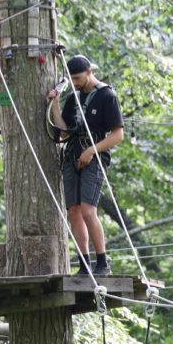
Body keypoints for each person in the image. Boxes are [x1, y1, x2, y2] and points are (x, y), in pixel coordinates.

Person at [45, 55, 124, 276]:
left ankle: (102, 263)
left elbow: (118, 135)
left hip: (94, 156)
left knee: (89, 210)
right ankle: (84, 262)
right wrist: (55, 106)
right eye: (72, 79)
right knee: (74, 211)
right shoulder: (74, 98)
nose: (76, 82)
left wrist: (92, 150)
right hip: (72, 154)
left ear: (89, 72)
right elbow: (63, 131)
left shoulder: (107, 96)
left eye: (78, 78)